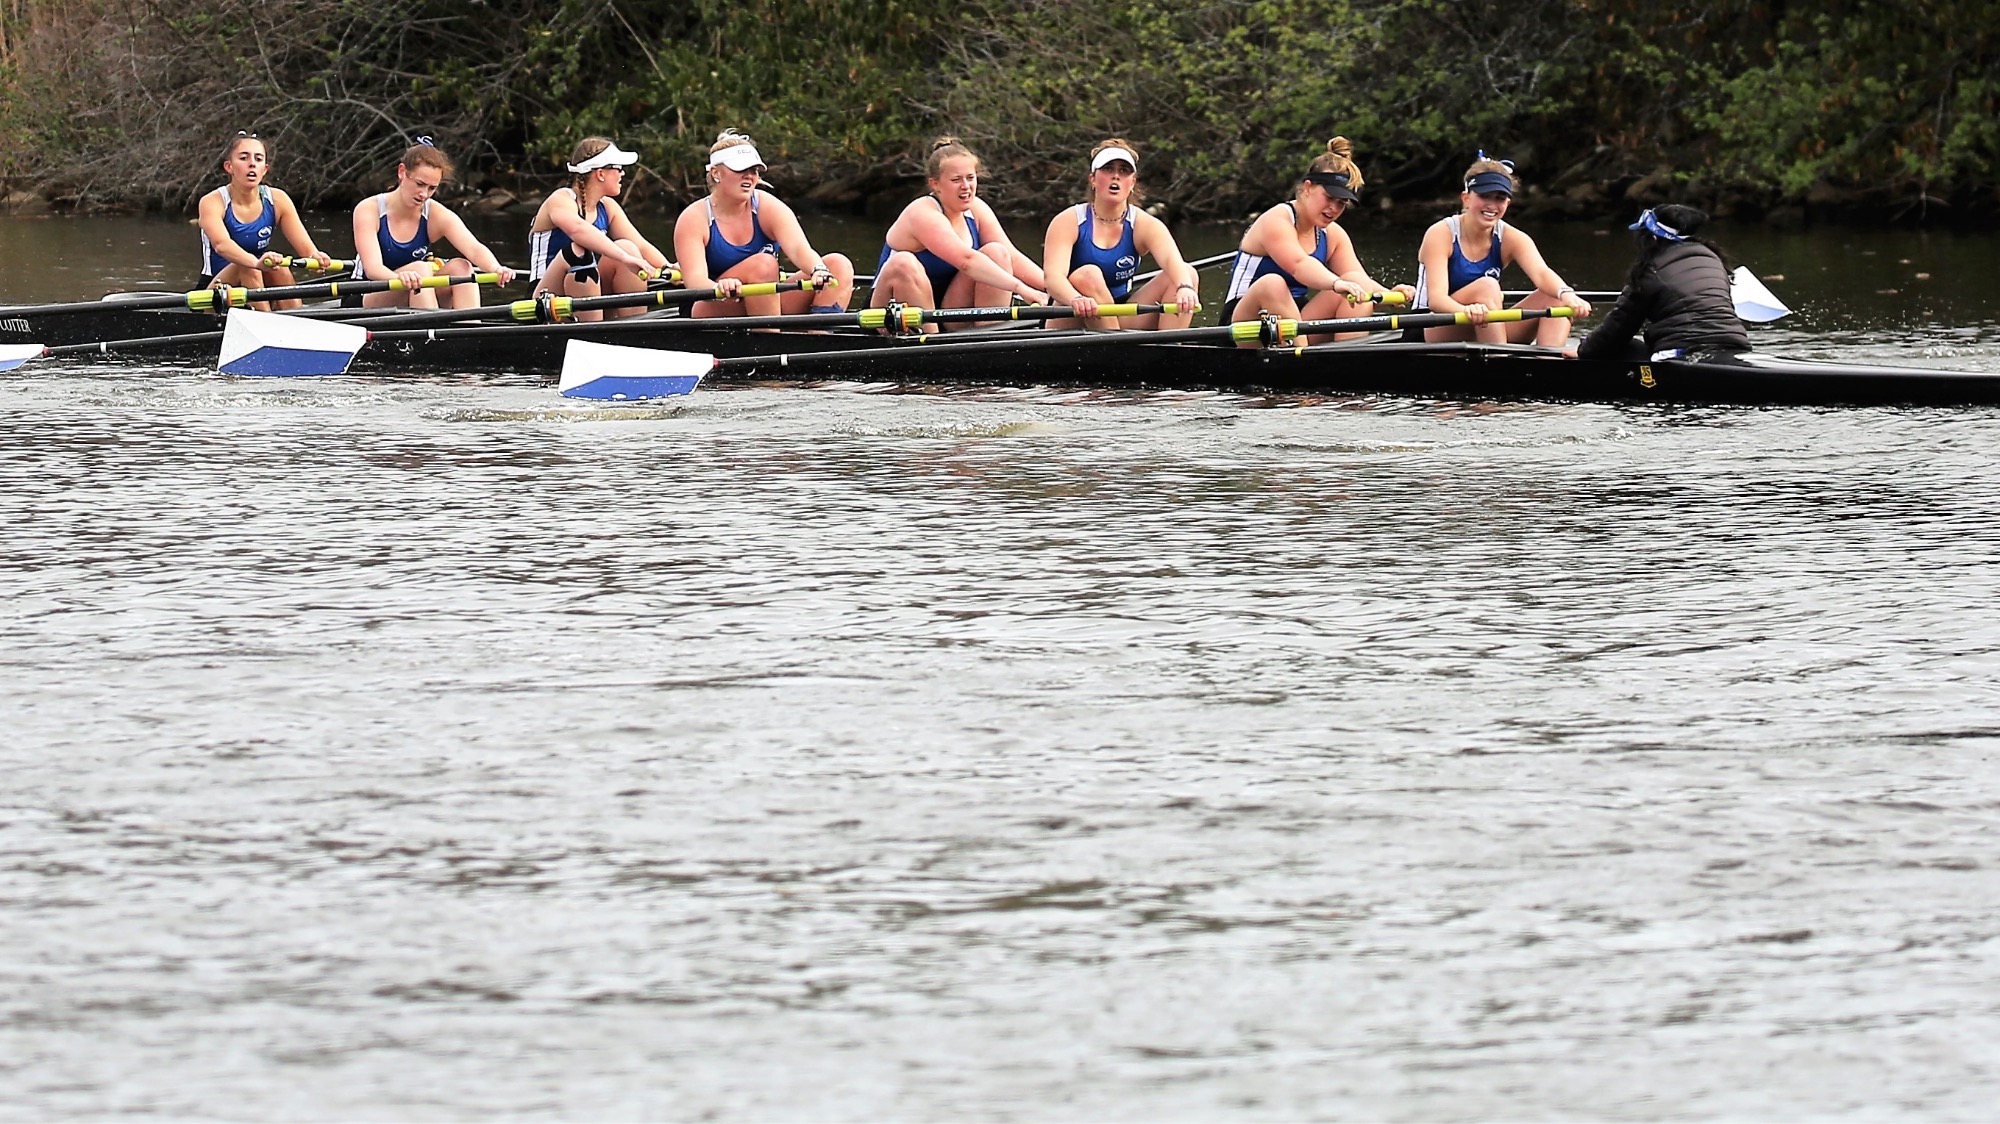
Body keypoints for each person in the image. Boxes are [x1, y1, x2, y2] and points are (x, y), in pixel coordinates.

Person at [1223, 136, 1415, 345]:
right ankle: (1302, 359)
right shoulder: (1277, 219)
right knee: (1273, 283)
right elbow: (1299, 265)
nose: (1334, 208)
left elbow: (1361, 284)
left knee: (1355, 281)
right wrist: (1336, 283)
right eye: (1329, 198)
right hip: (1243, 324)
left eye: (1341, 203)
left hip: (1296, 322)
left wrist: (1389, 294)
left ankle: (1348, 357)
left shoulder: (1332, 234)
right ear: (1307, 188)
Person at [671, 129, 853, 320]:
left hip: (764, 299)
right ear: (716, 173)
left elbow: (799, 249)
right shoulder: (694, 218)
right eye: (740, 169)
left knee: (838, 265)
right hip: (712, 304)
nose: (749, 176)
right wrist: (719, 287)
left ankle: (820, 335)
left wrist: (818, 270)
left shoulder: (767, 206)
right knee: (763, 265)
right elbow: (695, 280)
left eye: (754, 171)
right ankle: (770, 336)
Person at [871, 136, 1046, 332]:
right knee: (904, 262)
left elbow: (1013, 257)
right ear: (935, 184)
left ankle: (989, 335)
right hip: (894, 311)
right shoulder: (922, 213)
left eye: (970, 178)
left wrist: (1054, 288)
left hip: (948, 309)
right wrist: (1022, 289)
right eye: (956, 180)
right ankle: (930, 343)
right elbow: (966, 261)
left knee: (997, 253)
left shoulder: (976, 209)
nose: (966, 186)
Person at [1414, 154, 1591, 345]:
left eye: (1499, 198)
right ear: (1466, 198)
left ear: (1508, 203)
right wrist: (1466, 311)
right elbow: (1437, 300)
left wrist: (1567, 294)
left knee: (1555, 297)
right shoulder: (1441, 233)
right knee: (1487, 287)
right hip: (1430, 325)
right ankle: (1500, 360)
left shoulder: (1512, 237)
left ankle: (1548, 361)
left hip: (1484, 323)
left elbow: (1542, 273)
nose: (1492, 205)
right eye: (1484, 196)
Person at [1041, 139, 1200, 330]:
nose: (1115, 176)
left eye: (1124, 171)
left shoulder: (1144, 224)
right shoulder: (1068, 221)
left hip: (1118, 316)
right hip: (1071, 313)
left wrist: (1185, 288)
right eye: (1108, 169)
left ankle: (1170, 346)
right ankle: (1120, 343)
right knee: (1088, 274)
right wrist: (1076, 298)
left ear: (1132, 183)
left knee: (1187, 274)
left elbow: (1171, 261)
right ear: (1093, 179)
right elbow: (1053, 279)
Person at [349, 139, 515, 310]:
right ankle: (432, 324)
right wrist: (400, 278)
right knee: (420, 270)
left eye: (431, 188)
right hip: (366, 292)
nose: (424, 194)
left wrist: (496, 268)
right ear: (402, 172)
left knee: (462, 267)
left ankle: (470, 324)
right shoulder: (369, 209)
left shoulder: (436, 214)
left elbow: (474, 249)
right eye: (420, 184)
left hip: (416, 287)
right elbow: (373, 268)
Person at [1573, 204, 1750, 361]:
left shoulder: (1649, 270)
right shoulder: (1714, 259)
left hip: (1682, 351)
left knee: (1616, 346)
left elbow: (1617, 328)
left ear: (1654, 237)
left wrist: (1584, 350)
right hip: (1735, 344)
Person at [527, 137, 672, 322]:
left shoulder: (608, 207)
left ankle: (634, 328)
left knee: (628, 247)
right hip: (543, 299)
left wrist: (668, 267)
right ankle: (594, 331)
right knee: (579, 251)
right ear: (601, 174)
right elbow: (578, 230)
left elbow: (640, 245)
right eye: (618, 168)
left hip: (585, 291)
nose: (623, 174)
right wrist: (625, 258)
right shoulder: (561, 199)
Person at [196, 131, 334, 310]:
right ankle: (266, 319)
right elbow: (221, 245)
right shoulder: (212, 202)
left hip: (256, 284)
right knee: (248, 266)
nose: (252, 163)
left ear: (265, 169)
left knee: (279, 266)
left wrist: (316, 257)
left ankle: (296, 316)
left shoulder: (278, 199)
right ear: (229, 167)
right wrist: (256, 263)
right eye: (244, 158)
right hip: (215, 291)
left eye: (258, 159)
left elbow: (307, 250)